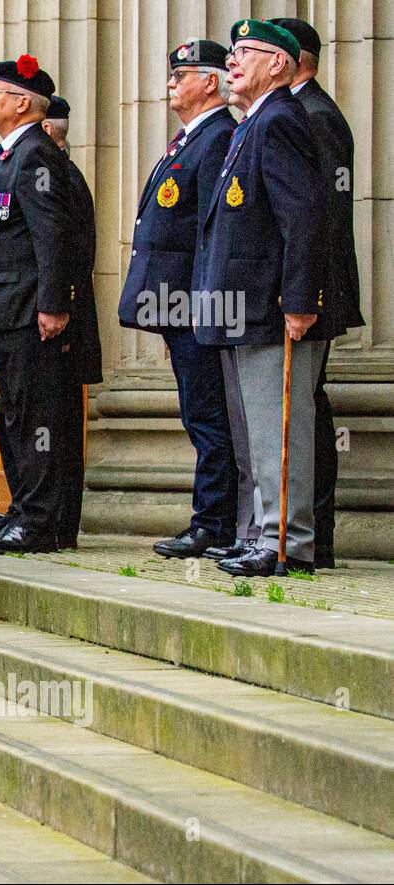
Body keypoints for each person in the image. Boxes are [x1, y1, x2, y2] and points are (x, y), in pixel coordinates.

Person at [194, 19, 325, 577]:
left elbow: (304, 220)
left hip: (273, 309)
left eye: (246, 52)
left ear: (279, 64)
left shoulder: (279, 123)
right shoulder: (254, 124)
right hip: (245, 307)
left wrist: (300, 299)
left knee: (280, 429)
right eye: (233, 53)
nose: (233, 61)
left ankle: (287, 542)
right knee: (260, 430)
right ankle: (265, 533)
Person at [119, 40, 238, 560]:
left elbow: (212, 235)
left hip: (196, 305)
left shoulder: (217, 138)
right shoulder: (190, 139)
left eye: (183, 73)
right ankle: (212, 518)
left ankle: (214, 522)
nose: (172, 81)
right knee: (199, 414)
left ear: (211, 82)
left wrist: (195, 309)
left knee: (209, 417)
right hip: (177, 305)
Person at [0, 55, 77, 555]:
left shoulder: (34, 155)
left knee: (35, 418)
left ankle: (39, 522)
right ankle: (25, 513)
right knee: (17, 416)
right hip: (5, 308)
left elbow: (53, 235)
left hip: (29, 310)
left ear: (23, 103)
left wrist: (52, 303)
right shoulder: (10, 156)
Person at [269, 16, 365, 570]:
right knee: (306, 406)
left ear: (292, 59)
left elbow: (317, 215)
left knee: (305, 407)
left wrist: (303, 293)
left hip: (313, 290)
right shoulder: (299, 111)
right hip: (304, 288)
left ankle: (313, 535)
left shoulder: (314, 115)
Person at [41, 96, 103, 549]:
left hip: (61, 323)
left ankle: (58, 521)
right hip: (57, 317)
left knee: (56, 425)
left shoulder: (60, 178)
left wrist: (58, 309)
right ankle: (51, 519)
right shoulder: (57, 174)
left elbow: (67, 254)